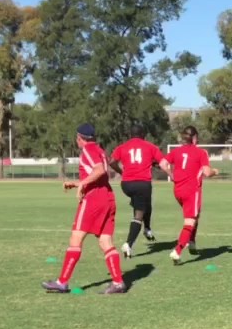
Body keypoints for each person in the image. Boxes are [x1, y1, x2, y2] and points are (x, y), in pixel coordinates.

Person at [42, 123, 126, 294]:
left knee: (76, 238)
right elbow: (103, 170)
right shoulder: (100, 150)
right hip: (108, 197)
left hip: (93, 199)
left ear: (80, 139)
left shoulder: (88, 150)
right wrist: (77, 183)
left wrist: (82, 184)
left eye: (77, 138)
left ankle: (62, 282)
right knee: (105, 241)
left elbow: (100, 170)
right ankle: (118, 282)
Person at [158, 126, 219, 265]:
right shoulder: (200, 152)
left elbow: (162, 163)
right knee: (190, 221)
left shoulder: (176, 151)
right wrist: (215, 171)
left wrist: (171, 175)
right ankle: (177, 251)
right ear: (195, 138)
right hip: (191, 190)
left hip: (178, 190)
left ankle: (191, 242)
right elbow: (207, 172)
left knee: (195, 215)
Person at [109, 124, 164, 258]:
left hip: (126, 184)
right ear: (143, 135)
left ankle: (147, 228)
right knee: (139, 214)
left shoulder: (122, 147)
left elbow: (111, 162)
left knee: (145, 203)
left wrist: (120, 171)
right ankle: (128, 244)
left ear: (130, 135)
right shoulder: (150, 146)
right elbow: (162, 162)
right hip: (142, 184)